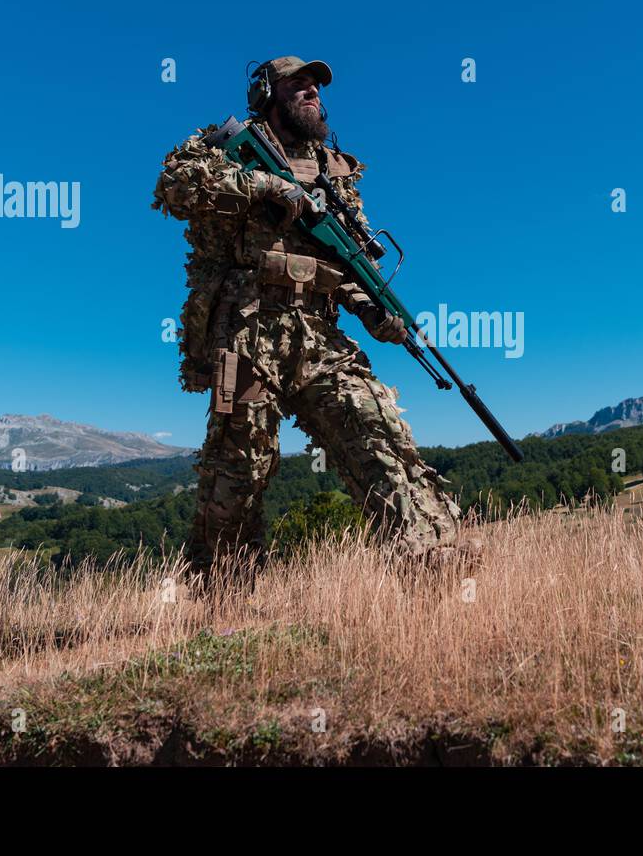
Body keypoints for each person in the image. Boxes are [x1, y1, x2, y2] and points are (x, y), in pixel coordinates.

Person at [152, 56, 474, 572]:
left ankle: (438, 565)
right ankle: (223, 594)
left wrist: (374, 312)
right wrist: (268, 187)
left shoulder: (334, 172)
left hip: (319, 334)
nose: (311, 94)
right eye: (297, 86)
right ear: (266, 94)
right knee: (239, 470)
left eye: (315, 88)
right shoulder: (227, 148)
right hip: (246, 331)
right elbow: (176, 184)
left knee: (377, 434)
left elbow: (349, 260)